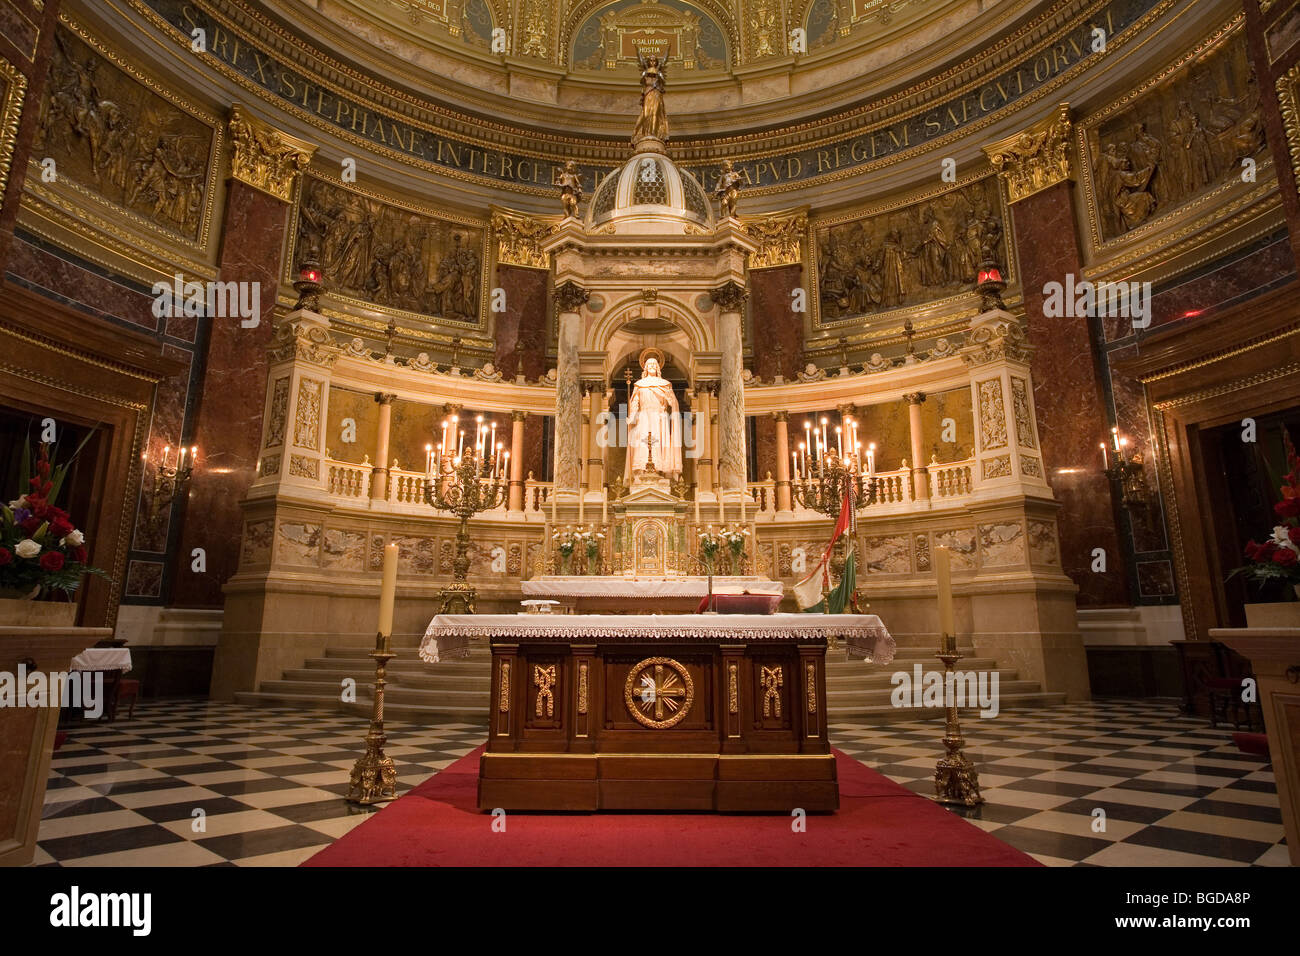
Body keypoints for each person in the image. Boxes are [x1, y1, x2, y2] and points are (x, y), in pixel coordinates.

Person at [625, 351, 681, 480]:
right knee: (642, 443)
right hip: (644, 417)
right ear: (645, 368)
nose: (651, 366)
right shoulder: (639, 384)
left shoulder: (665, 384)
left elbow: (672, 402)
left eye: (654, 364)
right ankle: (642, 471)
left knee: (659, 443)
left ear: (658, 368)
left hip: (659, 417)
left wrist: (670, 400)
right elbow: (635, 403)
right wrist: (632, 416)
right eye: (648, 364)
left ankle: (659, 471)